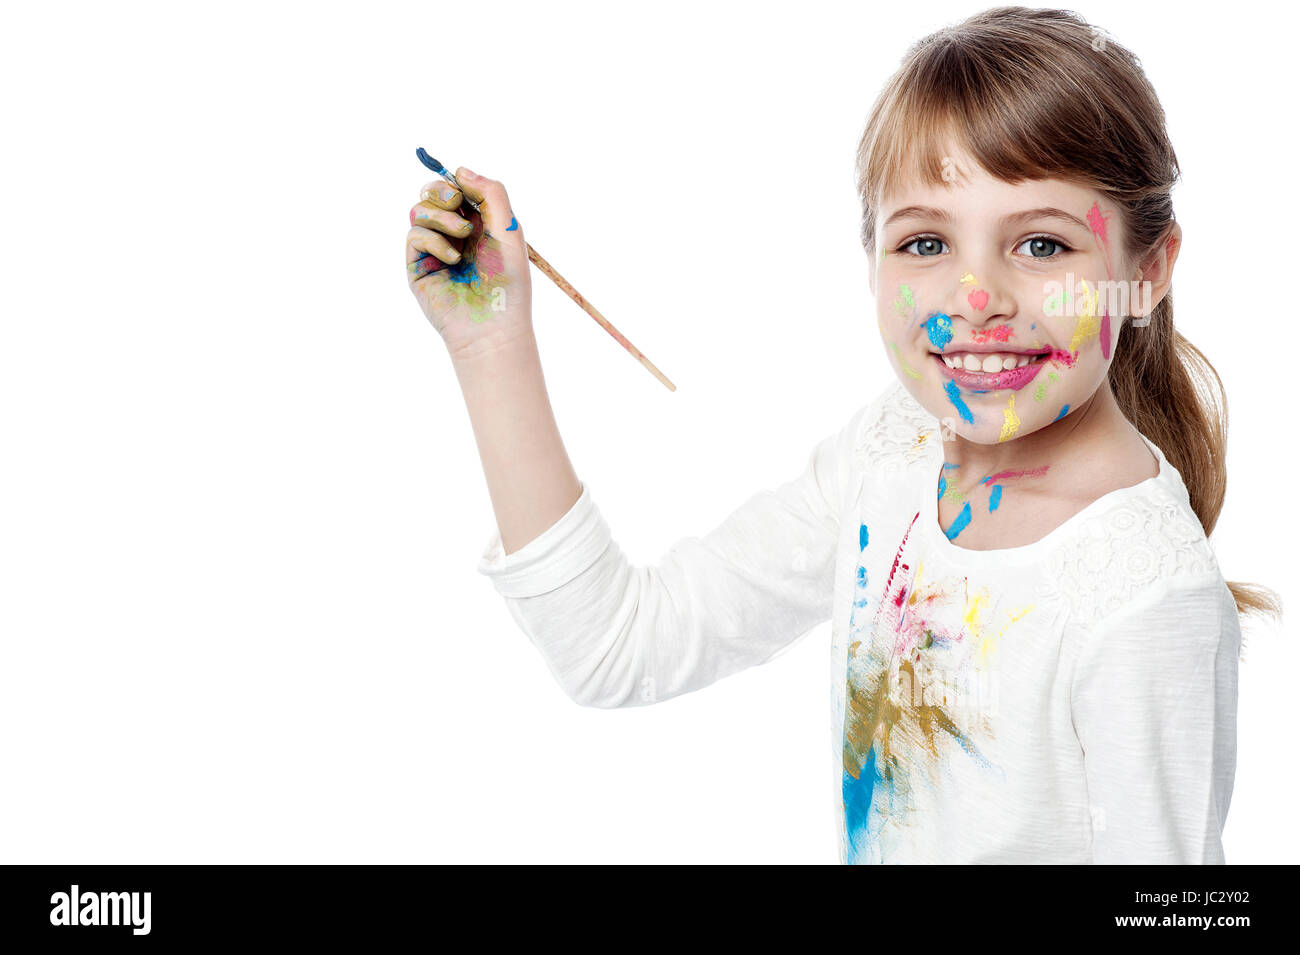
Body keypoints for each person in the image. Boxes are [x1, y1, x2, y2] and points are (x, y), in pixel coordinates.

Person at [403, 6, 1281, 863]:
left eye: (1043, 246)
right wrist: (492, 344)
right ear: (870, 261)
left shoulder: (1144, 596)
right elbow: (620, 647)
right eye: (927, 244)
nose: (976, 299)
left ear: (1147, 270)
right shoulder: (895, 449)